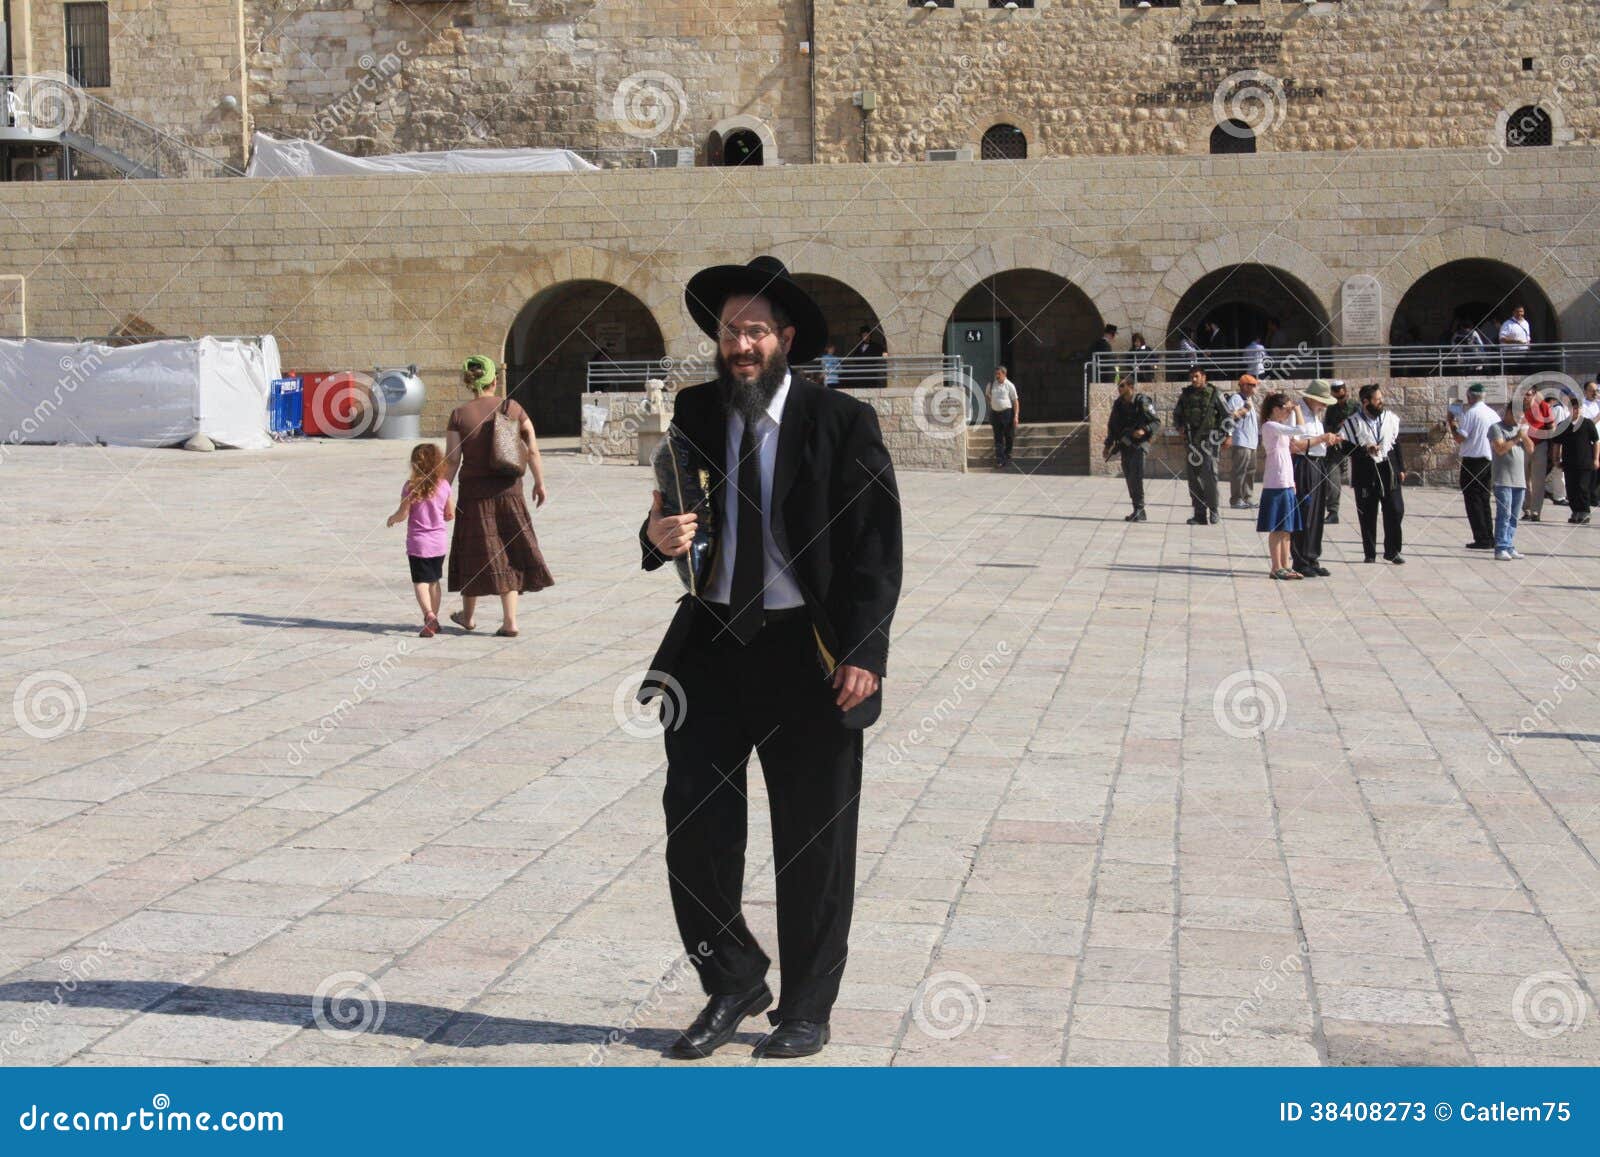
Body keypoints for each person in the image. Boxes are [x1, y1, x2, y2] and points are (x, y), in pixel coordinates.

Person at [639, 256, 902, 1061]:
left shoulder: (841, 421)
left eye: (754, 330)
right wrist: (654, 539)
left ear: (785, 339)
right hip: (713, 645)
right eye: (728, 330)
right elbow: (671, 511)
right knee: (693, 824)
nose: (740, 344)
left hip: (809, 653)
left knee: (814, 838)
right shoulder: (695, 410)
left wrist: (865, 651)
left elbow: (875, 548)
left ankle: (807, 1006)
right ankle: (732, 977)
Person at [444, 355, 554, 637]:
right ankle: (510, 621)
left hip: (473, 495)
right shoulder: (512, 407)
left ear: (470, 382)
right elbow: (531, 448)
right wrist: (540, 482)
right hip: (509, 491)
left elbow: (453, 460)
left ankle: (468, 618)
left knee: (473, 553)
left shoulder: (459, 415)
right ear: (495, 380)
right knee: (509, 550)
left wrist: (444, 494)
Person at [1257, 392, 1331, 580]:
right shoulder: (1270, 426)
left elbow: (1294, 436)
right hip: (1275, 483)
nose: (1289, 412)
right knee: (1276, 528)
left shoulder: (1280, 427)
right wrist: (1297, 409)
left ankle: (1286, 565)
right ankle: (1276, 567)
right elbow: (1299, 429)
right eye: (1286, 409)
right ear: (1276, 410)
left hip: (1288, 482)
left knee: (1287, 528)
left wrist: (1290, 409)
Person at [386, 443, 456, 636]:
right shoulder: (444, 485)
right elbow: (450, 513)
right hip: (439, 543)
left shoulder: (410, 487)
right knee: (434, 581)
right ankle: (435, 619)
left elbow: (403, 514)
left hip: (419, 544)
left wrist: (393, 519)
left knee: (420, 582)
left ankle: (429, 615)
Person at [1339, 383, 1406, 564]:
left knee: (1396, 509)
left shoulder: (1390, 418)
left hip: (1388, 468)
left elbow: (1396, 442)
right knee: (1367, 513)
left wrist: (1401, 468)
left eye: (1381, 399)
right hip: (1365, 470)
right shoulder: (1352, 423)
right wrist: (1364, 450)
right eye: (1377, 400)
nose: (1381, 403)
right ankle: (1370, 553)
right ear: (1366, 402)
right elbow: (1344, 446)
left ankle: (1392, 551)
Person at [1289, 381, 1342, 578]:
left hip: (1318, 464)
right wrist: (1321, 439)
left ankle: (1312, 557)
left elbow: (1315, 441)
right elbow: (1295, 445)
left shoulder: (1316, 415)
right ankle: (1300, 560)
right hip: (1303, 465)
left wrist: (1329, 440)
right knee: (1305, 511)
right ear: (1311, 398)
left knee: (1317, 512)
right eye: (1322, 402)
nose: (1325, 406)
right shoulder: (1297, 413)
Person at [1174, 369, 1228, 525]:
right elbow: (1177, 415)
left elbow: (1227, 416)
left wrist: (1227, 435)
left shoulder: (1214, 394)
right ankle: (1199, 514)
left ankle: (1214, 510)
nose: (1193, 379)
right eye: (1191, 377)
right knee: (1194, 480)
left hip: (1210, 442)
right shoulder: (1186, 395)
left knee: (1210, 477)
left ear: (1204, 377)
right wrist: (1180, 427)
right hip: (1192, 442)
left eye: (1196, 376)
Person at [1104, 376, 1158, 521]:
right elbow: (1112, 426)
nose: (1119, 388)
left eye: (1121, 385)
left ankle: (1140, 509)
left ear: (1130, 386)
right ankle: (1137, 509)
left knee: (1136, 475)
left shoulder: (1142, 401)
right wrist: (1108, 445)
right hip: (1125, 444)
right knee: (1129, 476)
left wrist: (1144, 430)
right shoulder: (1118, 404)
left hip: (1140, 444)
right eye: (1118, 385)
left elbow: (1156, 422)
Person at [1451, 383, 1498, 550]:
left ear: (1470, 397)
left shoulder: (1470, 414)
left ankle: (1482, 538)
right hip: (1489, 460)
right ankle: (1489, 536)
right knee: (1484, 499)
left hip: (1473, 461)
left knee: (1473, 501)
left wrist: (1452, 423)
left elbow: (1460, 438)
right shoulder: (1493, 414)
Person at [1490, 402, 1531, 561]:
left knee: (1514, 516)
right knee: (1504, 514)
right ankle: (1500, 547)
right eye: (1516, 415)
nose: (1519, 419)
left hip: (1519, 480)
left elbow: (1531, 449)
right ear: (1508, 412)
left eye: (1521, 416)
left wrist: (1524, 436)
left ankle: (1509, 545)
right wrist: (1517, 438)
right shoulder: (1496, 428)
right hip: (1503, 479)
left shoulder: (1519, 430)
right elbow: (1500, 449)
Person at [1522, 386, 1566, 521]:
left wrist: (1553, 450)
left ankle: (1536, 511)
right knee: (1524, 480)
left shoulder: (1543, 406)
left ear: (1534, 394)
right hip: (1522, 445)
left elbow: (1552, 428)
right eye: (1524, 395)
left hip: (1540, 445)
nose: (1526, 397)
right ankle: (1527, 509)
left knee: (1538, 480)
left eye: (1528, 395)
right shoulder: (1518, 407)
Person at [1557, 399, 1599, 524]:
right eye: (1573, 408)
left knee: (1582, 487)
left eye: (1578, 408)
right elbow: (1557, 444)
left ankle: (1584, 512)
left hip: (1585, 462)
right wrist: (1555, 458)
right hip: (1569, 462)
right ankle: (1575, 512)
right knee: (1571, 488)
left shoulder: (1588, 424)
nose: (1576, 411)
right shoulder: (1563, 425)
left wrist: (1596, 459)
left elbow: (1596, 442)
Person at [1223, 373, 1260, 509]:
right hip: (1241, 441)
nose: (1256, 388)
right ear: (1244, 386)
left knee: (1250, 471)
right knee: (1239, 471)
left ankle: (1247, 497)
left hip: (1251, 442)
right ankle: (1236, 499)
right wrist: (1229, 435)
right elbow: (1230, 418)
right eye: (1253, 385)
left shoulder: (1249, 399)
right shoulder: (1237, 399)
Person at [1322, 381, 1356, 525]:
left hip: (1354, 447)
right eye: (1336, 397)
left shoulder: (1356, 406)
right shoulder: (1331, 408)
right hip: (1337, 447)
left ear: (1345, 392)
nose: (1339, 401)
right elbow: (1328, 426)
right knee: (1333, 477)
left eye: (1341, 397)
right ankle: (1333, 511)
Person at [987, 366, 1019, 469]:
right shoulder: (991, 384)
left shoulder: (1009, 385)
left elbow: (1015, 401)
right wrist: (992, 403)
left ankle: (1008, 453)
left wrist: (1016, 416)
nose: (997, 376)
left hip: (1007, 413)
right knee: (998, 437)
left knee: (1009, 436)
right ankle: (1000, 460)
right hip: (995, 414)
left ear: (1004, 374)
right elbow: (987, 395)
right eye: (996, 374)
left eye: (999, 374)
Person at [851, 324, 887, 389]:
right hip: (860, 374)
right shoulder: (858, 346)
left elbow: (883, 353)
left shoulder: (876, 346)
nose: (865, 337)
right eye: (863, 335)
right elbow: (854, 358)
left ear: (870, 335)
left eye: (866, 335)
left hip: (870, 374)